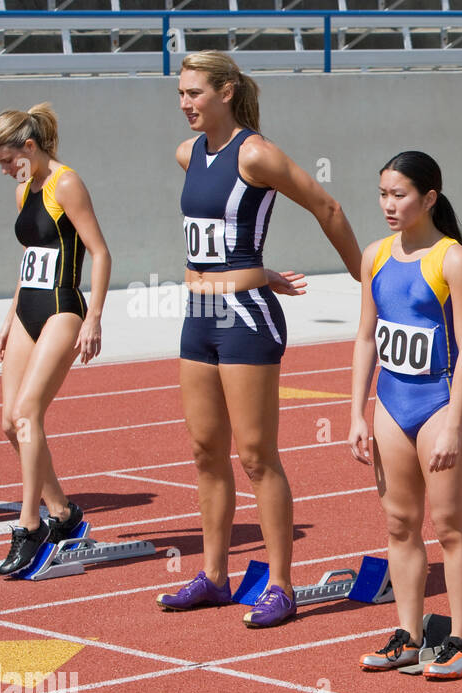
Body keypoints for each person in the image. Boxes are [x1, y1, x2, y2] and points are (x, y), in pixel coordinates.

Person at [155, 51, 362, 627]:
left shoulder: (256, 153)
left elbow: (328, 205)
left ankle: (280, 584)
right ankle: (214, 577)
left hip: (246, 319)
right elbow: (226, 235)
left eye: (194, 93)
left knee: (255, 456)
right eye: (180, 94)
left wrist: (365, 275)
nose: (184, 104)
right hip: (198, 315)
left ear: (225, 92)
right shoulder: (187, 154)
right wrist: (256, 266)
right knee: (204, 452)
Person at [350, 152, 462, 680]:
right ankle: (408, 634)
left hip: (438, 404)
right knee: (399, 524)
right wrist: (357, 412)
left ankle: (461, 639)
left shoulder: (453, 260)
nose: (388, 204)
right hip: (390, 403)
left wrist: (454, 420)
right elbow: (365, 337)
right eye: (383, 193)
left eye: (399, 194)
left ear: (429, 198)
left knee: (450, 527)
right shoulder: (375, 256)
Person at [0, 104, 110, 577]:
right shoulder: (24, 191)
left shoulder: (67, 184)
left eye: (5, 160)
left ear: (30, 147)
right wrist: (7, 316)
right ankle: (63, 513)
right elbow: (29, 258)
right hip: (28, 310)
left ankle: (29, 524)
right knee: (6, 423)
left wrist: (94, 317)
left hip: (62, 309)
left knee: (27, 414)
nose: (2, 170)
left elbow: (100, 251)